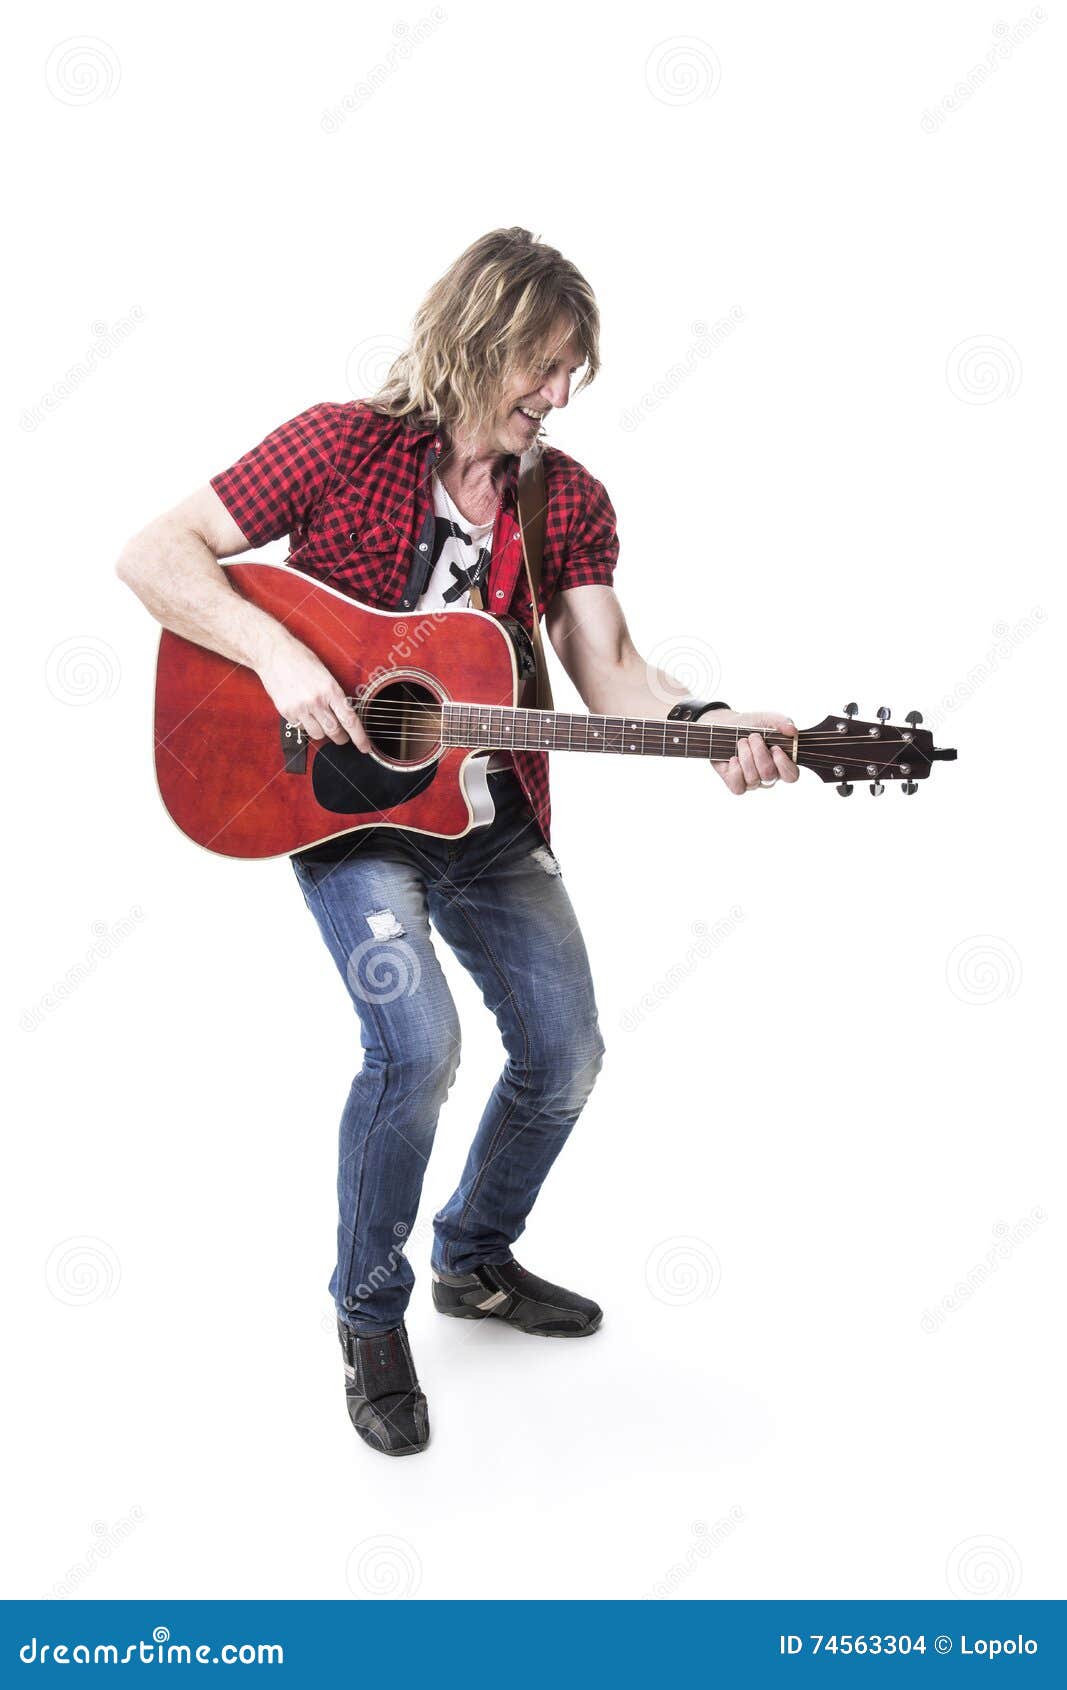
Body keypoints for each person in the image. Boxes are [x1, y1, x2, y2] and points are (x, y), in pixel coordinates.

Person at [117, 227, 798, 1457]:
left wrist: (707, 727)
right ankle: (367, 1315)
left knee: (566, 1051)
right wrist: (277, 657)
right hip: (343, 814)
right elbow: (153, 554)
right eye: (540, 365)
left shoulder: (566, 497)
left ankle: (472, 1260)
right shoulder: (339, 445)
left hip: (486, 823)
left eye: (571, 372)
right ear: (475, 342)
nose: (559, 393)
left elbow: (615, 676)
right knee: (415, 1046)